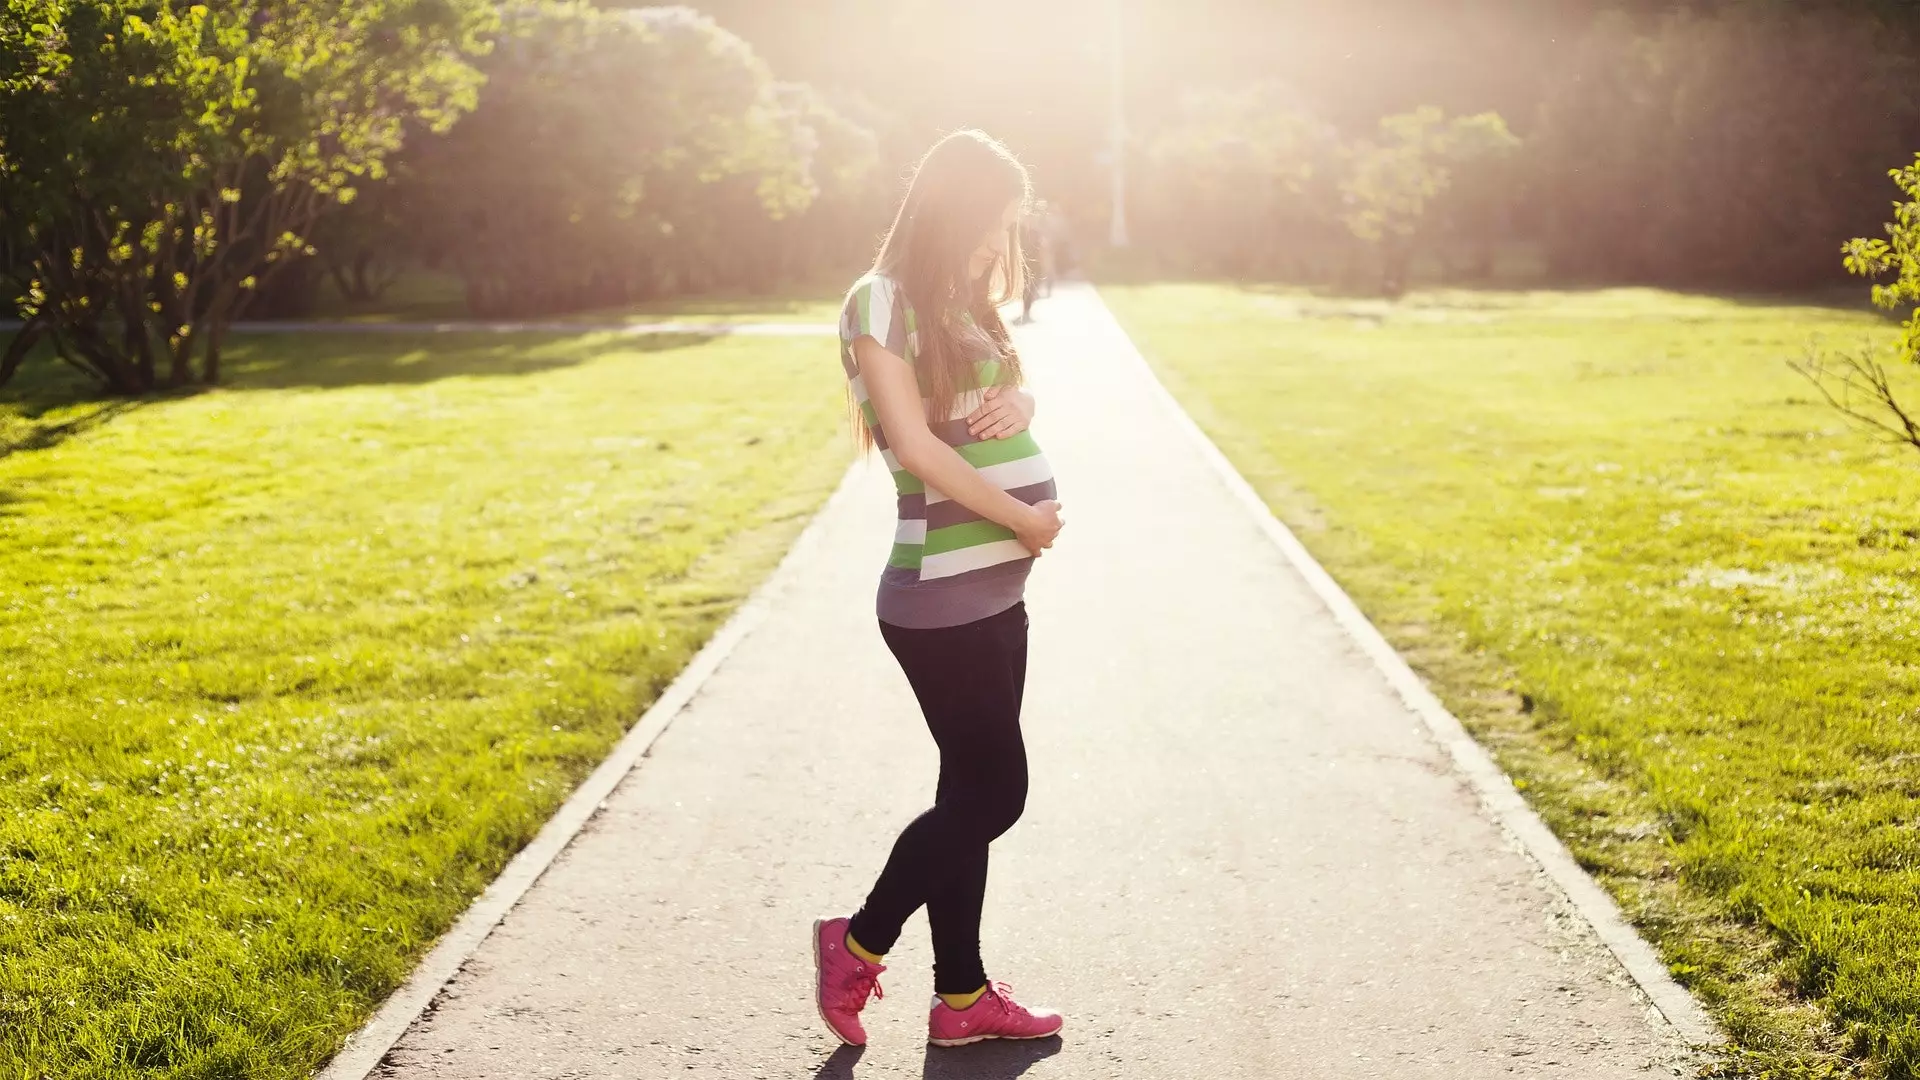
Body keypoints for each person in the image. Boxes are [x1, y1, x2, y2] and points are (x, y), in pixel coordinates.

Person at [814, 129, 1067, 1050]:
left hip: (997, 591)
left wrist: (1027, 406)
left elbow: (1008, 389)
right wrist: (1024, 517)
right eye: (990, 223)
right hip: (939, 597)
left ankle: (960, 1001)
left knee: (967, 794)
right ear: (954, 208)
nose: (998, 243)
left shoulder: (959, 301)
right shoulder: (877, 302)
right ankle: (859, 939)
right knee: (997, 794)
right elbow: (915, 445)